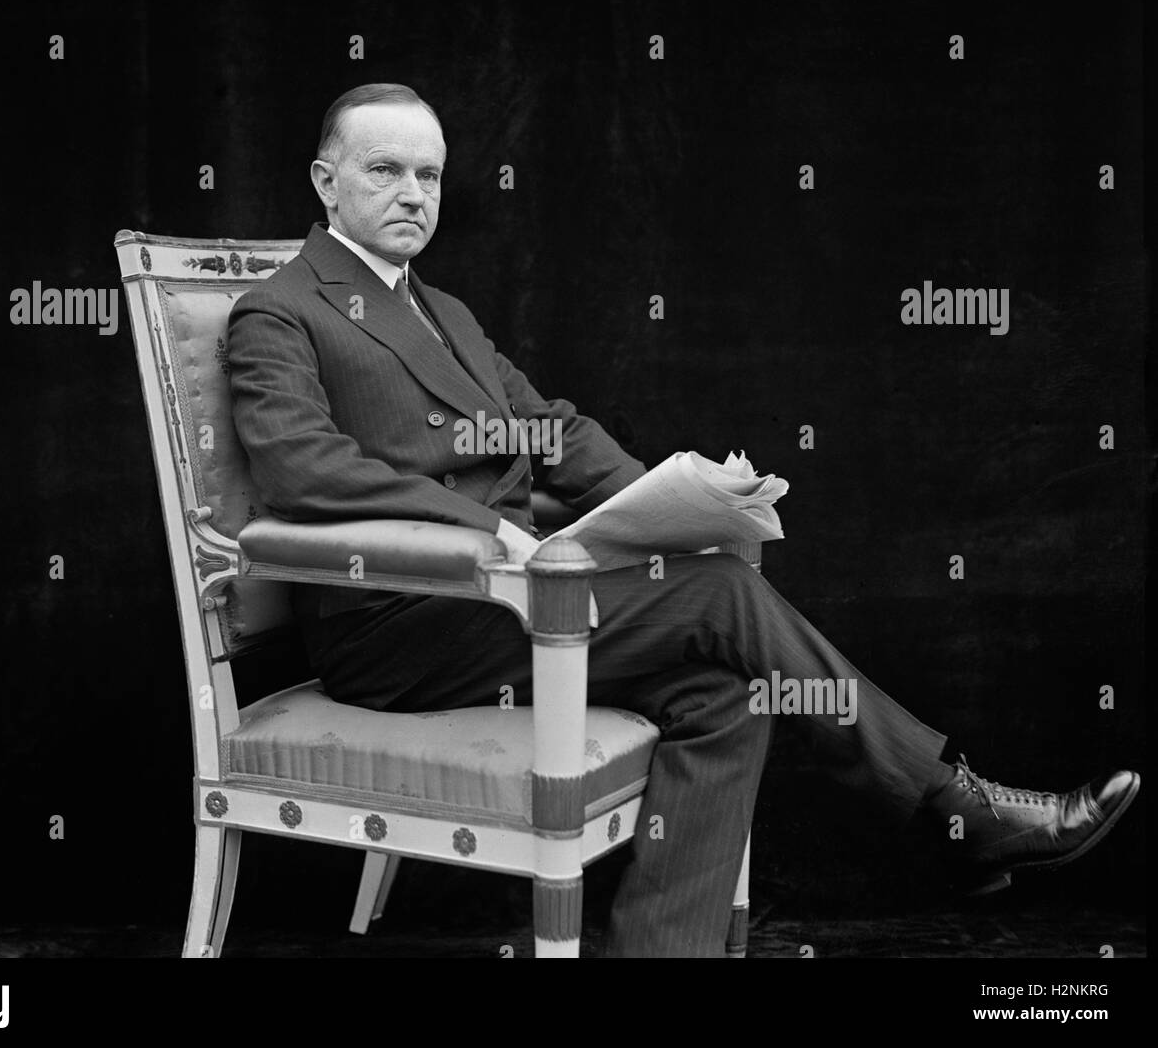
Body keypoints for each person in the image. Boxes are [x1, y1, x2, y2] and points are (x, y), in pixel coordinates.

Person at [226, 83, 1140, 957]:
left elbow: (554, 430)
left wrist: (664, 501)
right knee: (720, 591)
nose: (414, 195)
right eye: (386, 170)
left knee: (725, 691)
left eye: (429, 175)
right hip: (399, 622)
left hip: (509, 602)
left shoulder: (447, 311)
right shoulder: (279, 309)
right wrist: (482, 534)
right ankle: (957, 808)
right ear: (325, 181)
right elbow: (302, 466)